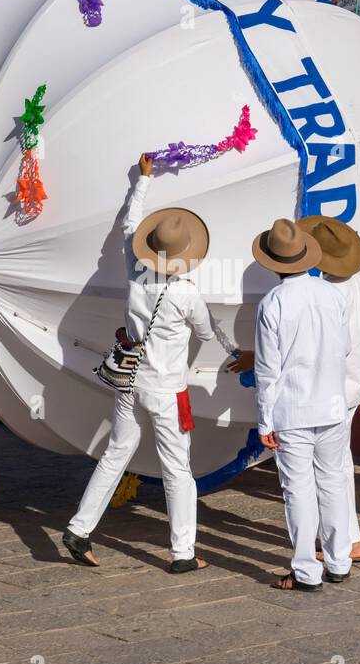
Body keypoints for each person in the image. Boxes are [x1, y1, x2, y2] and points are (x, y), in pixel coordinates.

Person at [62, 154, 245, 573]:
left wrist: (142, 181)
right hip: (166, 389)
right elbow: (205, 332)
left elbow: (129, 227)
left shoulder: (136, 274)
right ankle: (183, 552)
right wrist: (233, 349)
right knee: (178, 470)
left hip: (130, 382)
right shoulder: (185, 294)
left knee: (115, 455)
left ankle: (79, 527)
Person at [253, 218, 352, 591]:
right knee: (332, 483)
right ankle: (339, 561)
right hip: (331, 405)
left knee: (298, 490)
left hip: (292, 409)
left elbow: (267, 370)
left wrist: (264, 421)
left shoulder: (272, 303)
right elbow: (344, 348)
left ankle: (307, 570)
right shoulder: (332, 294)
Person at [297, 215, 360, 564]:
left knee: (331, 467)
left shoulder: (329, 292)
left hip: (333, 388)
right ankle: (342, 534)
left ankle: (348, 538)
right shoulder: (357, 281)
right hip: (352, 383)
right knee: (339, 462)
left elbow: (332, 346)